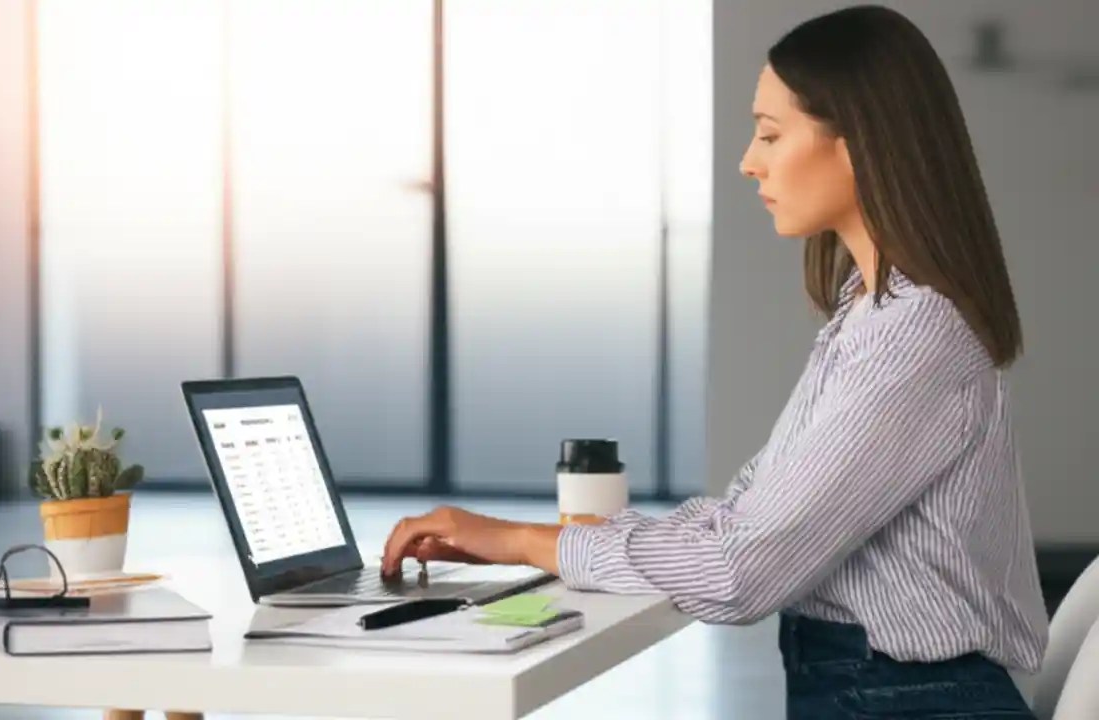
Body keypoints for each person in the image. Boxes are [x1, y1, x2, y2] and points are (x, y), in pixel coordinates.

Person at [379, 5, 1049, 717]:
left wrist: (519, 541)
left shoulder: (914, 337)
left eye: (769, 133)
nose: (748, 160)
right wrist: (560, 541)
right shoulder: (870, 316)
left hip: (903, 703)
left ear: (858, 145)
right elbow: (743, 518)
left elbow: (741, 571)